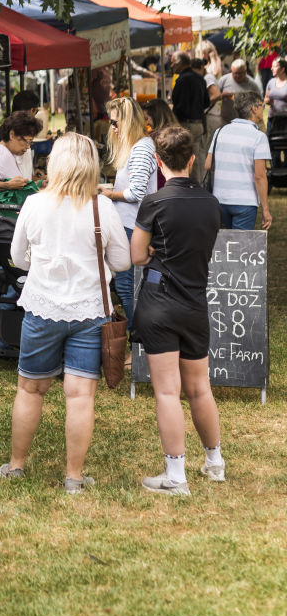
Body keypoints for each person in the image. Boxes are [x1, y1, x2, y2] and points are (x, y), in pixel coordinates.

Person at [0, 133, 130, 493]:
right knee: (80, 396)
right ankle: (73, 476)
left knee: (29, 389)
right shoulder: (103, 208)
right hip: (90, 312)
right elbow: (121, 260)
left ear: (54, 162)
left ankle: (16, 465)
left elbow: (18, 257)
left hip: (42, 307)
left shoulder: (35, 205)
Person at [131, 124, 224, 496]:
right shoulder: (211, 203)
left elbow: (137, 255)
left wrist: (154, 251)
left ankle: (175, 476)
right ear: (192, 159)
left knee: (168, 392)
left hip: (160, 303)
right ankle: (214, 462)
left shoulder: (154, 202)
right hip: (196, 301)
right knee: (200, 388)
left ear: (158, 161)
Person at [0, 111, 40, 327]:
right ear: (13, 134)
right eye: (26, 142)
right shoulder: (1, 154)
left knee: (3, 278)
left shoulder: (4, 152)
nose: (27, 148)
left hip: (1, 227)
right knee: (2, 279)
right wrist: (7, 185)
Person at [101, 98, 157, 330]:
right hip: (129, 225)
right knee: (126, 284)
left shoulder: (142, 148)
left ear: (128, 121)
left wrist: (110, 194)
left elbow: (136, 192)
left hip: (134, 226)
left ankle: (138, 340)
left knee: (127, 285)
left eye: (115, 122)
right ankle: (138, 339)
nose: (112, 127)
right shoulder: (136, 147)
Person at [205, 89, 272, 231]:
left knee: (223, 249)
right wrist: (265, 210)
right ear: (254, 108)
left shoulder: (220, 131)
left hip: (219, 199)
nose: (262, 109)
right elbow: (260, 176)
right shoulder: (258, 137)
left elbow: (207, 165)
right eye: (262, 105)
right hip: (245, 202)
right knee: (240, 249)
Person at [170, 55, 207, 170]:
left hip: (186, 124)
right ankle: (199, 184)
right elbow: (207, 102)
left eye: (173, 63)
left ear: (181, 63)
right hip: (199, 123)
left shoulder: (182, 80)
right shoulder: (199, 77)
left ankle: (193, 185)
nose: (171, 66)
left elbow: (179, 105)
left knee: (189, 160)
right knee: (198, 157)